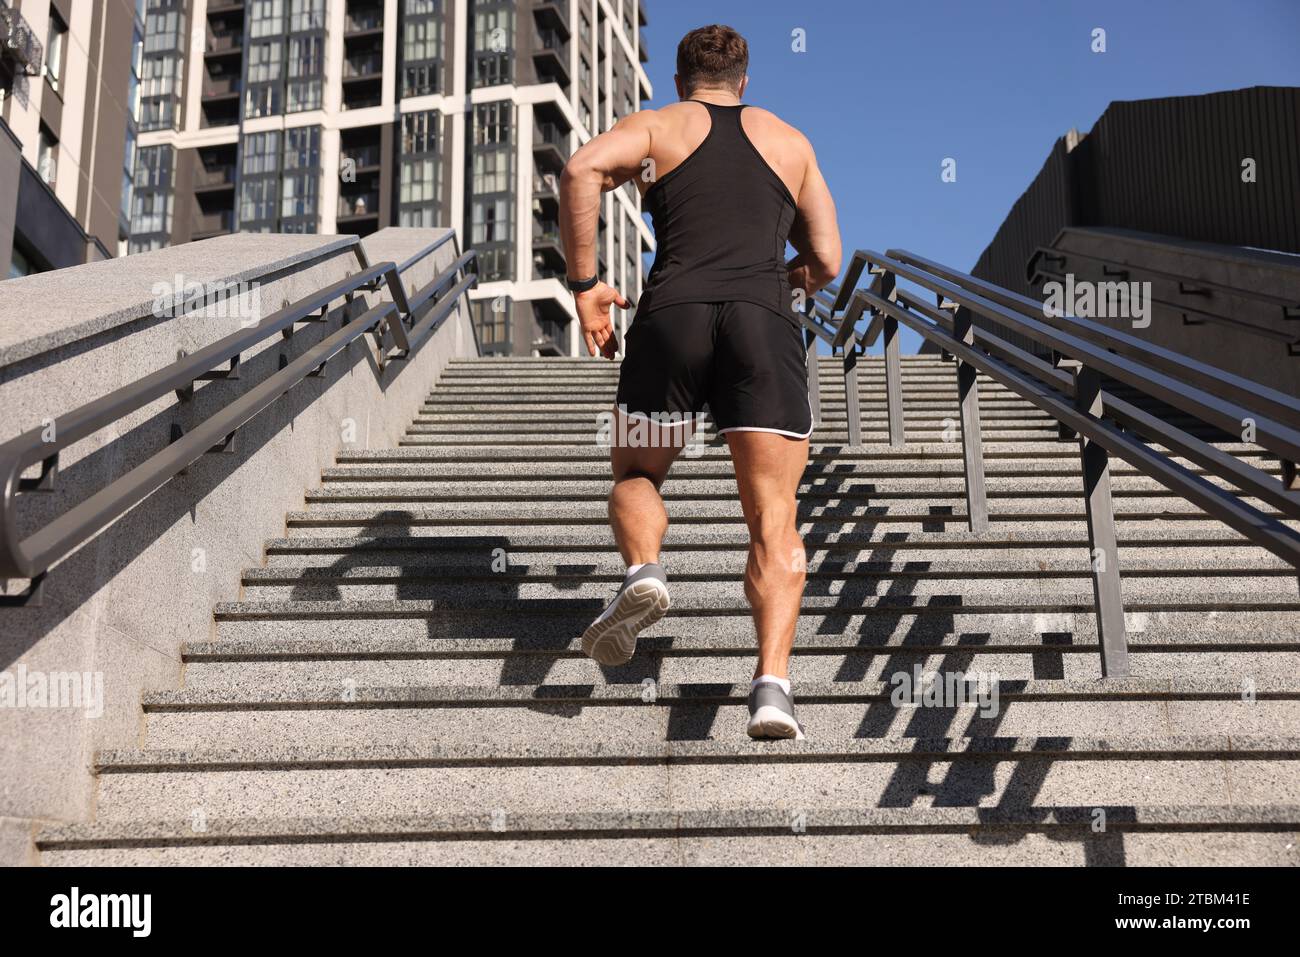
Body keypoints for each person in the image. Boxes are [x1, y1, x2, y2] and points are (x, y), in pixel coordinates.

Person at [558, 24, 842, 739]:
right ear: (745, 82)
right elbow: (828, 258)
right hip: (763, 323)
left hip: (673, 316)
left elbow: (580, 171)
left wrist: (587, 284)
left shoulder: (659, 124)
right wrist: (777, 284)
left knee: (637, 472)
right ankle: (772, 684)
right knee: (774, 515)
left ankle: (644, 571)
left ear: (682, 80)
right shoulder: (792, 142)